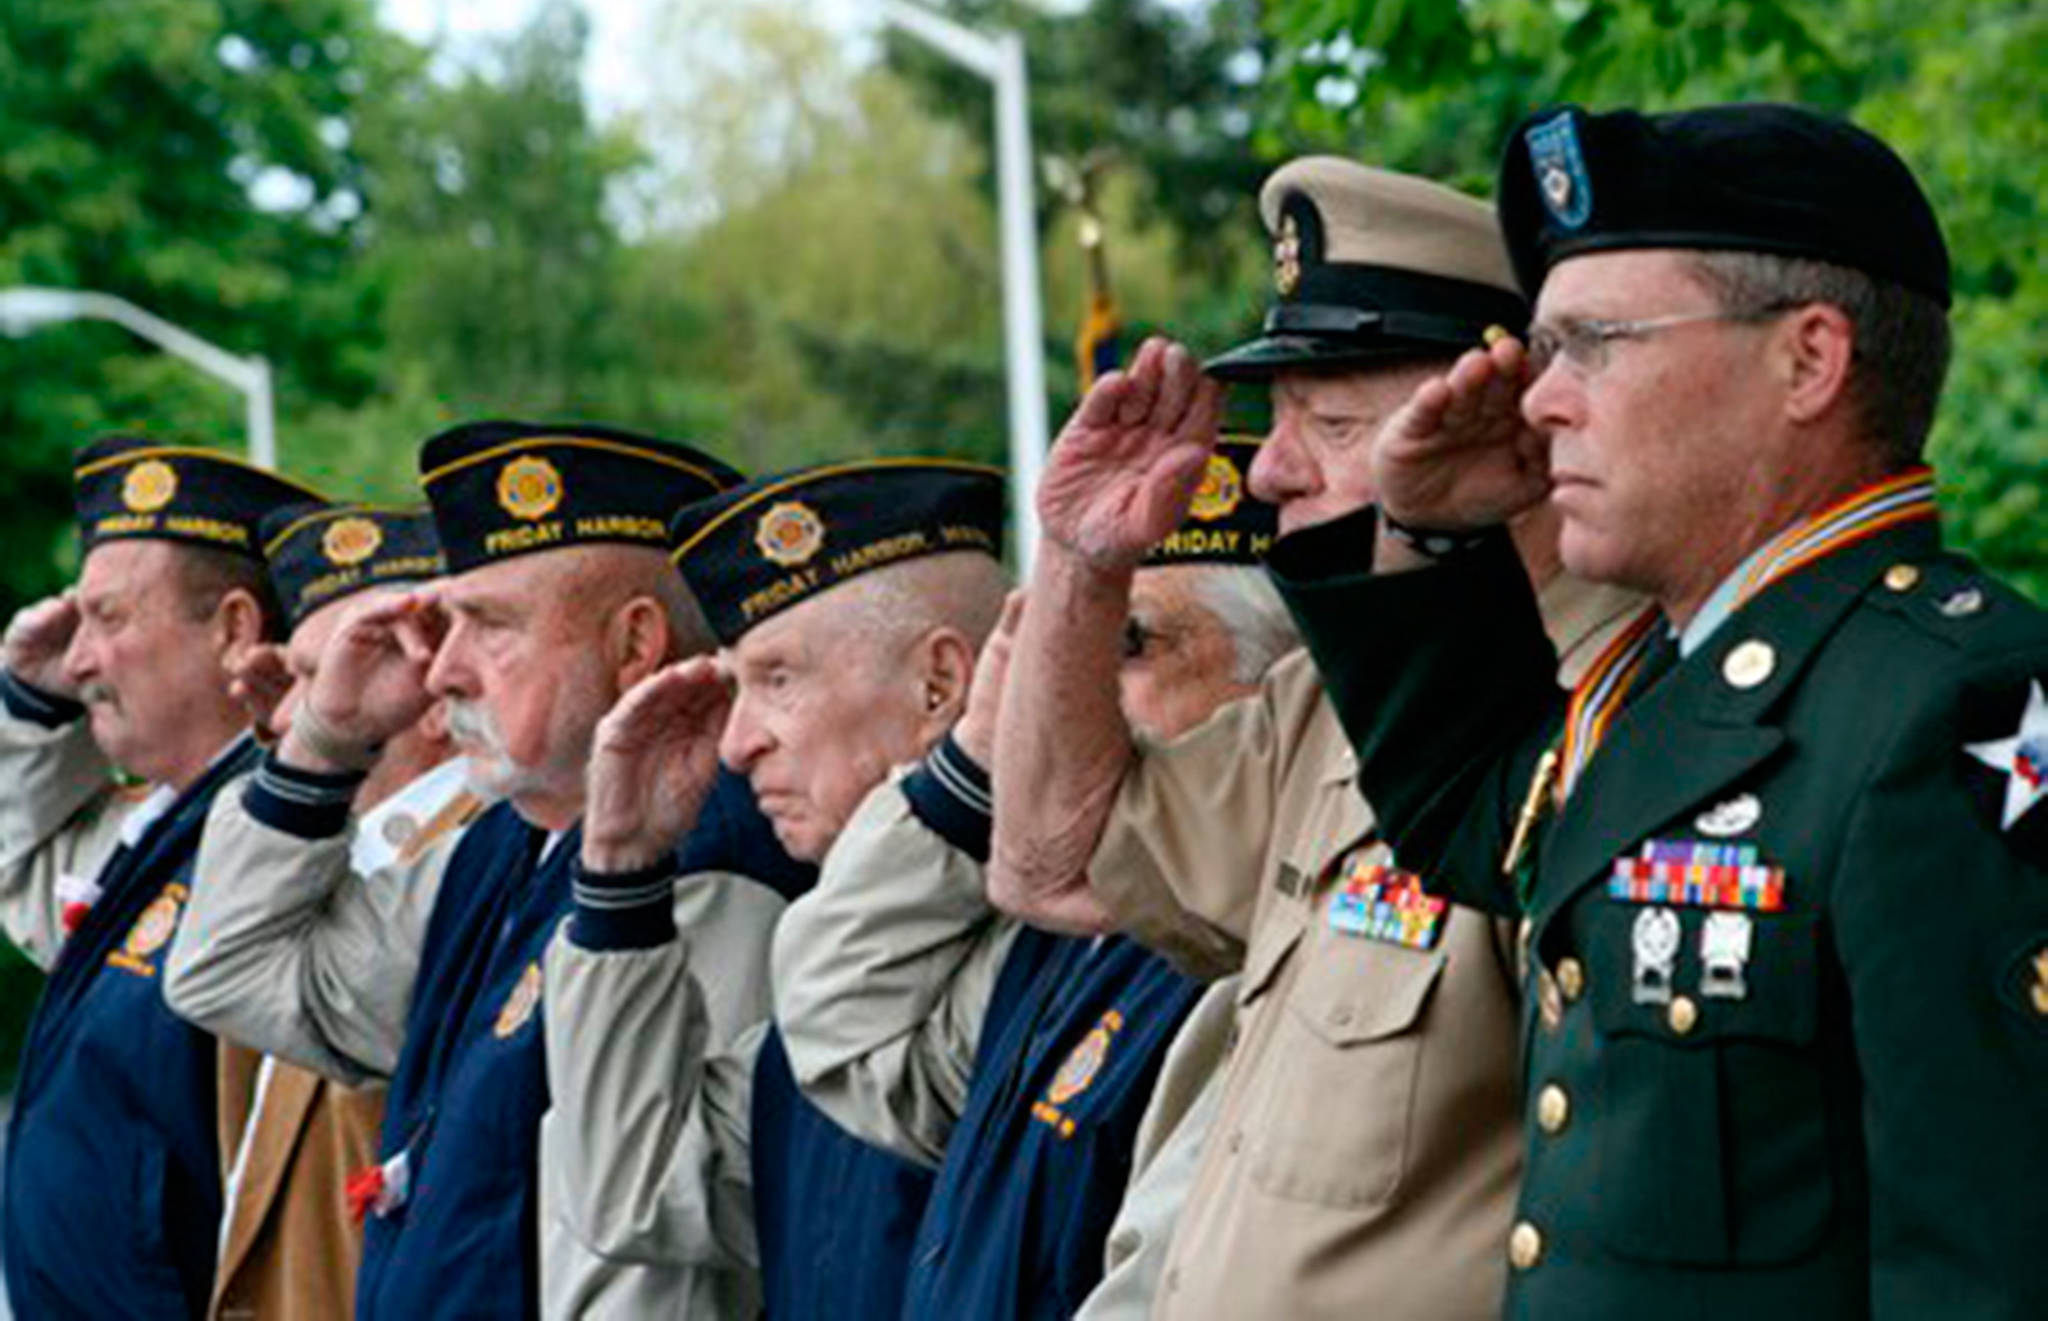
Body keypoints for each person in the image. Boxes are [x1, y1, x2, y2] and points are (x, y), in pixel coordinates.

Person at [1255, 104, 2048, 1316]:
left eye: (1591, 345)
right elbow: (1470, 818)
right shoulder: (1670, 679)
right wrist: (1424, 531)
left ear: (1807, 360)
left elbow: (1986, 1266)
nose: (1536, 402)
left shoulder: (1953, 704)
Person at [988, 159, 1642, 1319]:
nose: (1267, 468)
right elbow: (1048, 860)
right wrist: (1085, 566)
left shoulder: (1617, 719)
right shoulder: (1329, 703)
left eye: (1330, 423)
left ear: (1503, 433)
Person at [164, 422, 785, 1318]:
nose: (441, 670)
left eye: (487, 625)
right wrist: (324, 741)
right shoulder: (505, 846)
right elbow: (229, 971)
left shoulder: (708, 866)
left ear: (635, 645)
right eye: (444, 624)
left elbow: (654, 1268)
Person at [773, 440, 1293, 1319]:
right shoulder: (1074, 926)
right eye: (1065, 653)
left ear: (1274, 696)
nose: (1072, 689)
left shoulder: (1267, 943)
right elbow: (844, 1026)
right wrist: (980, 754)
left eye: (1126, 645)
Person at [541, 458, 1009, 1320]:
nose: (736, 743)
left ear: (939, 684)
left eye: (779, 678)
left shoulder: (1055, 953)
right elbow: (630, 1192)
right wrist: (622, 871)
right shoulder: (802, 1018)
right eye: (736, 687)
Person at [0, 435, 313, 1317]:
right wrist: (30, 704)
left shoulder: (289, 835)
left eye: (111, 618)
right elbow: (21, 872)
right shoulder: (156, 824)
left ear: (237, 629)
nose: (83, 657)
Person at [203, 500, 476, 1321]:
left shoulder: (466, 869)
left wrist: (313, 763)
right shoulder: (357, 858)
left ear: (432, 697)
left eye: (320, 680)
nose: (288, 719)